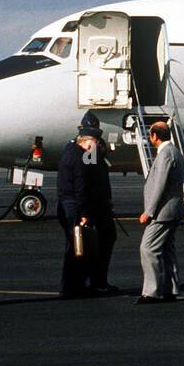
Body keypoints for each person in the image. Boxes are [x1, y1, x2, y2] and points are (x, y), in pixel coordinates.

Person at [55, 111, 118, 298]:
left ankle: (79, 285)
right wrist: (83, 213)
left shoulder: (76, 151)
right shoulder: (79, 157)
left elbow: (95, 174)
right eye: (94, 142)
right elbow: (82, 186)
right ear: (86, 140)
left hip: (76, 206)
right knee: (78, 248)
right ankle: (78, 286)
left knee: (78, 247)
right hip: (77, 207)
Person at [137, 122, 184, 304]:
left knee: (148, 248)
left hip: (162, 213)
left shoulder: (165, 154)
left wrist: (149, 211)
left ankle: (152, 291)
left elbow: (160, 185)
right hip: (172, 210)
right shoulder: (174, 151)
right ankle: (171, 289)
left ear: (155, 136)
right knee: (167, 250)